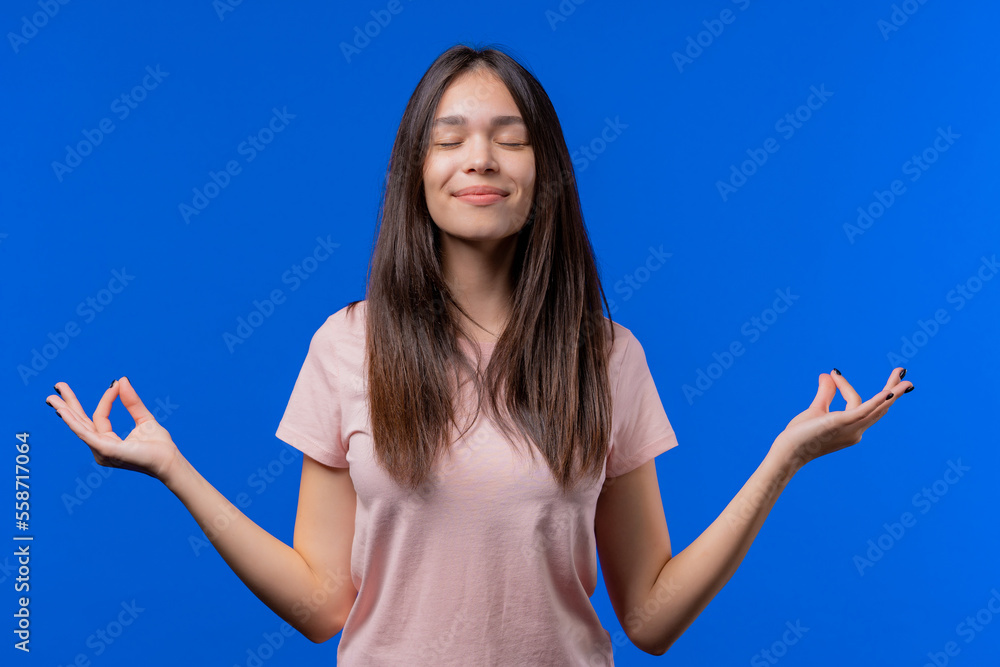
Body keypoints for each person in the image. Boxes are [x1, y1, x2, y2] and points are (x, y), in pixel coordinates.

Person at [45, 43, 914, 665]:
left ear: (547, 171)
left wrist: (784, 458)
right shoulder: (346, 345)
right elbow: (320, 605)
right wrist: (173, 468)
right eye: (450, 136)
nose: (480, 158)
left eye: (510, 135)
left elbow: (648, 615)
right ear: (415, 172)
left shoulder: (607, 356)